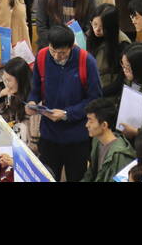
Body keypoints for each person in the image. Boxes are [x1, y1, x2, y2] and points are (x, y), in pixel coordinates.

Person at [28, 24, 102, 181]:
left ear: (72, 47)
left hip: (77, 137)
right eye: (52, 51)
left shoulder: (86, 61)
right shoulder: (41, 57)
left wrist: (67, 114)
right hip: (49, 135)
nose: (55, 56)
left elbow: (95, 99)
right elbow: (35, 88)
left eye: (61, 53)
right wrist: (32, 101)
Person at [80, 96, 135, 181]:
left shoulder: (120, 156)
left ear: (104, 125)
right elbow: (90, 174)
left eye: (91, 121)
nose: (87, 125)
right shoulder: (97, 141)